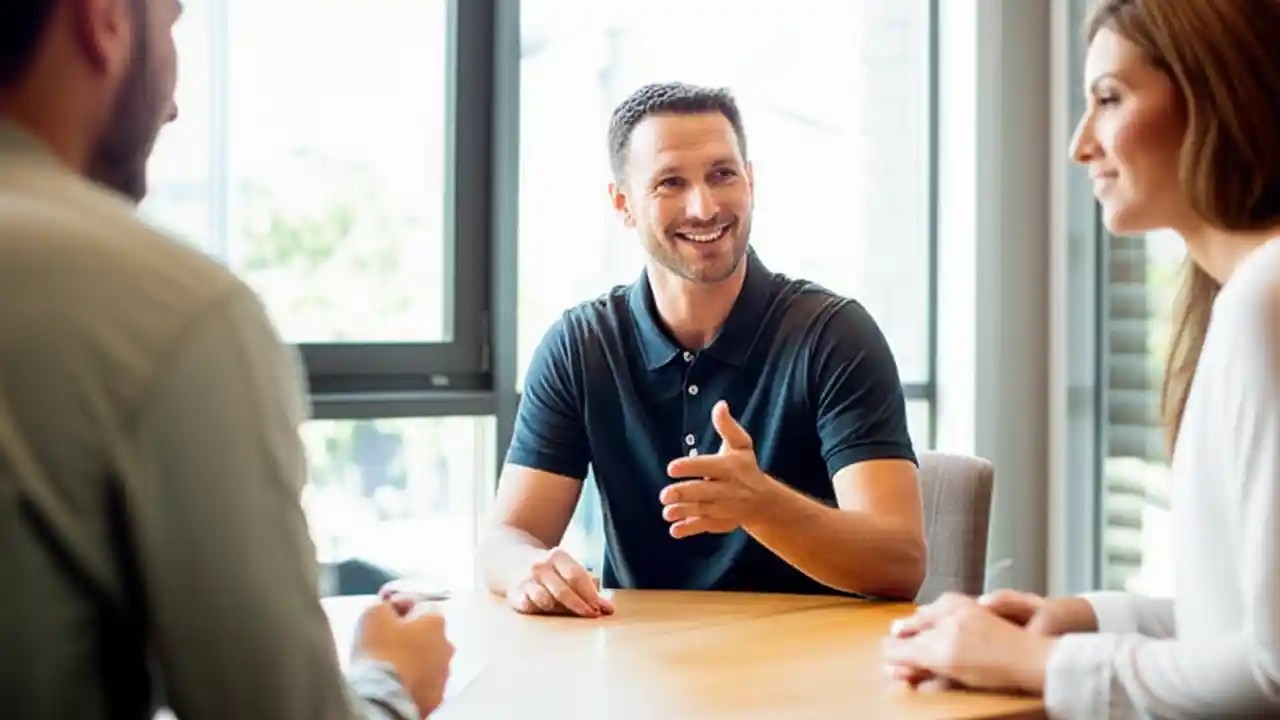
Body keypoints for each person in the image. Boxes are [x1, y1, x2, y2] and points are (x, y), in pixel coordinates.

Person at [0, 1, 451, 717]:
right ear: (104, 20)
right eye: (172, 23)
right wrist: (391, 680)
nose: (174, 107)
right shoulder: (169, 311)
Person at [883, 0, 1280, 717]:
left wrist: (1038, 662)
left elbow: (1269, 676)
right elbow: (1241, 626)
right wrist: (1084, 618)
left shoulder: (1265, 301)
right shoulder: (1243, 301)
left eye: (1109, 98)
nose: (1079, 145)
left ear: (1217, 92)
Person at [475, 81, 927, 618]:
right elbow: (507, 538)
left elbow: (901, 564)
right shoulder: (581, 345)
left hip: (808, 677)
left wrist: (760, 505)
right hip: (642, 677)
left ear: (751, 180)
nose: (705, 206)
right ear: (623, 204)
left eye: (722, 174)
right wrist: (529, 567)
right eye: (670, 182)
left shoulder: (834, 335)